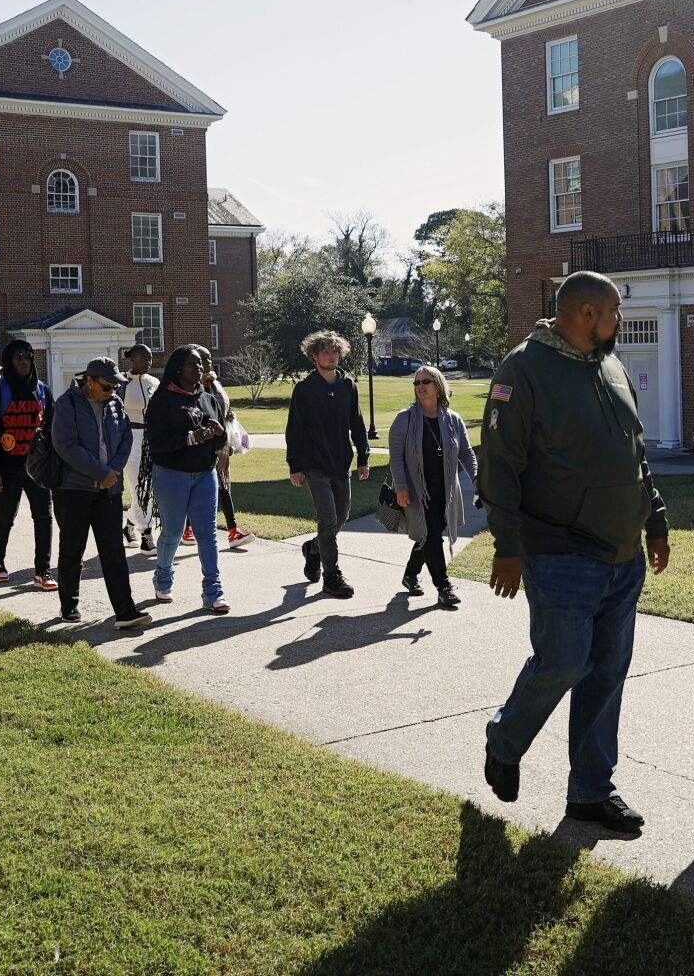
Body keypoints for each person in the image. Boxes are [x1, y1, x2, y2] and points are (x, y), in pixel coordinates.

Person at [478, 271, 670, 835]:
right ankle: (505, 738)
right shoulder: (524, 369)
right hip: (560, 550)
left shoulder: (611, 366)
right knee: (564, 661)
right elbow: (499, 465)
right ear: (586, 312)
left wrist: (655, 521)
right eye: (613, 310)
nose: (618, 319)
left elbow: (635, 454)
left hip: (621, 552)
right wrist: (507, 547)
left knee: (606, 672)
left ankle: (591, 791)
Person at [51, 358, 151, 629]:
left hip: (108, 491)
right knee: (73, 549)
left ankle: (125, 611)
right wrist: (99, 472)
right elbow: (65, 445)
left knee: (113, 551)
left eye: (116, 387)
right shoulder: (66, 404)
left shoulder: (115, 404)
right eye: (107, 387)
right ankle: (69, 604)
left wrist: (112, 472)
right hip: (73, 491)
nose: (112, 392)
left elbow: (125, 440)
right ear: (90, 382)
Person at [285, 330, 370, 598]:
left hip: (341, 463)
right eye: (325, 352)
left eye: (335, 351)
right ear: (314, 356)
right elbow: (294, 429)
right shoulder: (305, 389)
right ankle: (332, 576)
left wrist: (363, 458)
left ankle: (313, 548)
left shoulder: (348, 386)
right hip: (314, 465)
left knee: (341, 518)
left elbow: (357, 423)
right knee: (328, 518)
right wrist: (295, 465)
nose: (331, 356)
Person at [144, 345, 229, 613]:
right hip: (171, 474)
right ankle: (163, 577)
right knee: (173, 532)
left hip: (205, 474)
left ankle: (213, 591)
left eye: (201, 364)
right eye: (193, 364)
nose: (199, 368)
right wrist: (192, 438)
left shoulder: (208, 399)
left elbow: (222, 439)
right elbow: (157, 444)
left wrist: (217, 432)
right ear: (179, 368)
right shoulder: (163, 400)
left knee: (208, 534)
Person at [389, 364, 477, 609]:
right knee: (430, 535)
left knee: (431, 534)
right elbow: (395, 458)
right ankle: (443, 586)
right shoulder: (404, 419)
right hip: (418, 491)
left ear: (438, 387)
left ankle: (410, 574)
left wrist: (476, 477)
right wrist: (401, 487)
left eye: (425, 382)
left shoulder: (452, 420)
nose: (420, 387)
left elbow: (466, 453)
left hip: (445, 489)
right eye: (416, 383)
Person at [0, 339, 53, 588]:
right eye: (18, 357)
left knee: (43, 516)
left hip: (38, 468)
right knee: (6, 515)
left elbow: (52, 429)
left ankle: (43, 570)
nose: (24, 361)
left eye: (28, 357)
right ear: (10, 361)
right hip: (8, 467)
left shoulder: (42, 390)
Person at [200, 355, 257, 549]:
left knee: (224, 485)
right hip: (202, 443)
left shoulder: (215, 382)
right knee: (197, 487)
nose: (207, 362)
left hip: (221, 441)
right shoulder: (193, 385)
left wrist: (229, 415)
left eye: (208, 359)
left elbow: (223, 406)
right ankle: (187, 529)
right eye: (202, 360)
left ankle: (233, 531)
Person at [121, 344, 159, 553]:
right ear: (132, 359)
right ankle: (146, 535)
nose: (148, 362)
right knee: (140, 487)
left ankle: (128, 525)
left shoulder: (154, 382)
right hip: (131, 439)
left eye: (151, 358)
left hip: (152, 438)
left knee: (147, 488)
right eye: (144, 357)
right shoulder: (122, 384)